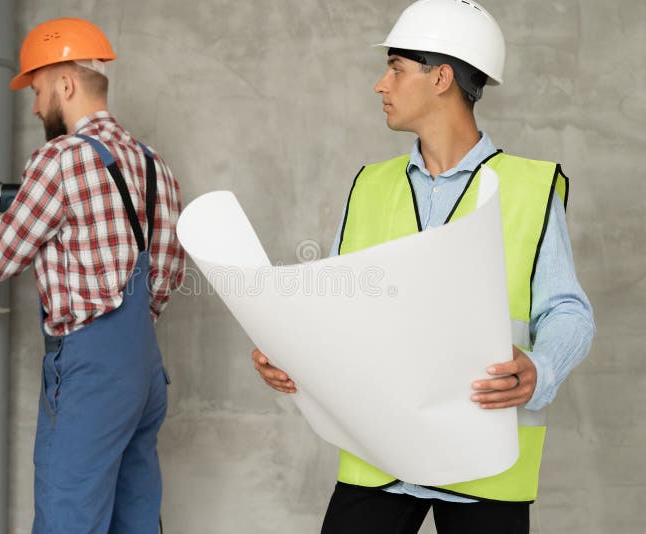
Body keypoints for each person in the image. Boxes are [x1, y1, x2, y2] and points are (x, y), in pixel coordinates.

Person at [251, 1, 594, 532]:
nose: (380, 85)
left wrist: (541, 368)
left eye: (395, 67)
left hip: (484, 457)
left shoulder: (530, 188)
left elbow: (568, 310)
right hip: (378, 450)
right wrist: (290, 350)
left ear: (441, 78)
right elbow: (334, 308)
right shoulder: (370, 185)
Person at [0, 17, 184, 534]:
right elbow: (165, 275)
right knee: (136, 518)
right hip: (144, 370)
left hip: (91, 371)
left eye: (36, 90)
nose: (34, 107)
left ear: (65, 84)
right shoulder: (155, 167)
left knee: (68, 516)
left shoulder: (59, 159)